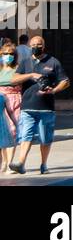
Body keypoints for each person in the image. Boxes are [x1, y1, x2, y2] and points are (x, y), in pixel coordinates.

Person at [10, 36, 68, 175]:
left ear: (44, 46)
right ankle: (21, 163)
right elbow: (13, 79)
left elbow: (65, 81)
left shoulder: (53, 62)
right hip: (28, 107)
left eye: (39, 44)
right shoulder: (25, 62)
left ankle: (44, 164)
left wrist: (53, 90)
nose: (36, 47)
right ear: (30, 46)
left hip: (46, 108)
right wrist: (31, 75)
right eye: (33, 45)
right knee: (26, 135)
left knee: (45, 138)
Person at [0, 40, 39, 173]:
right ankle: (4, 161)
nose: (8, 55)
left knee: (13, 132)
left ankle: (10, 163)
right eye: (5, 53)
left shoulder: (18, 68)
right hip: (1, 101)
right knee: (2, 133)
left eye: (11, 53)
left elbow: (24, 81)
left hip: (15, 101)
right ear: (1, 54)